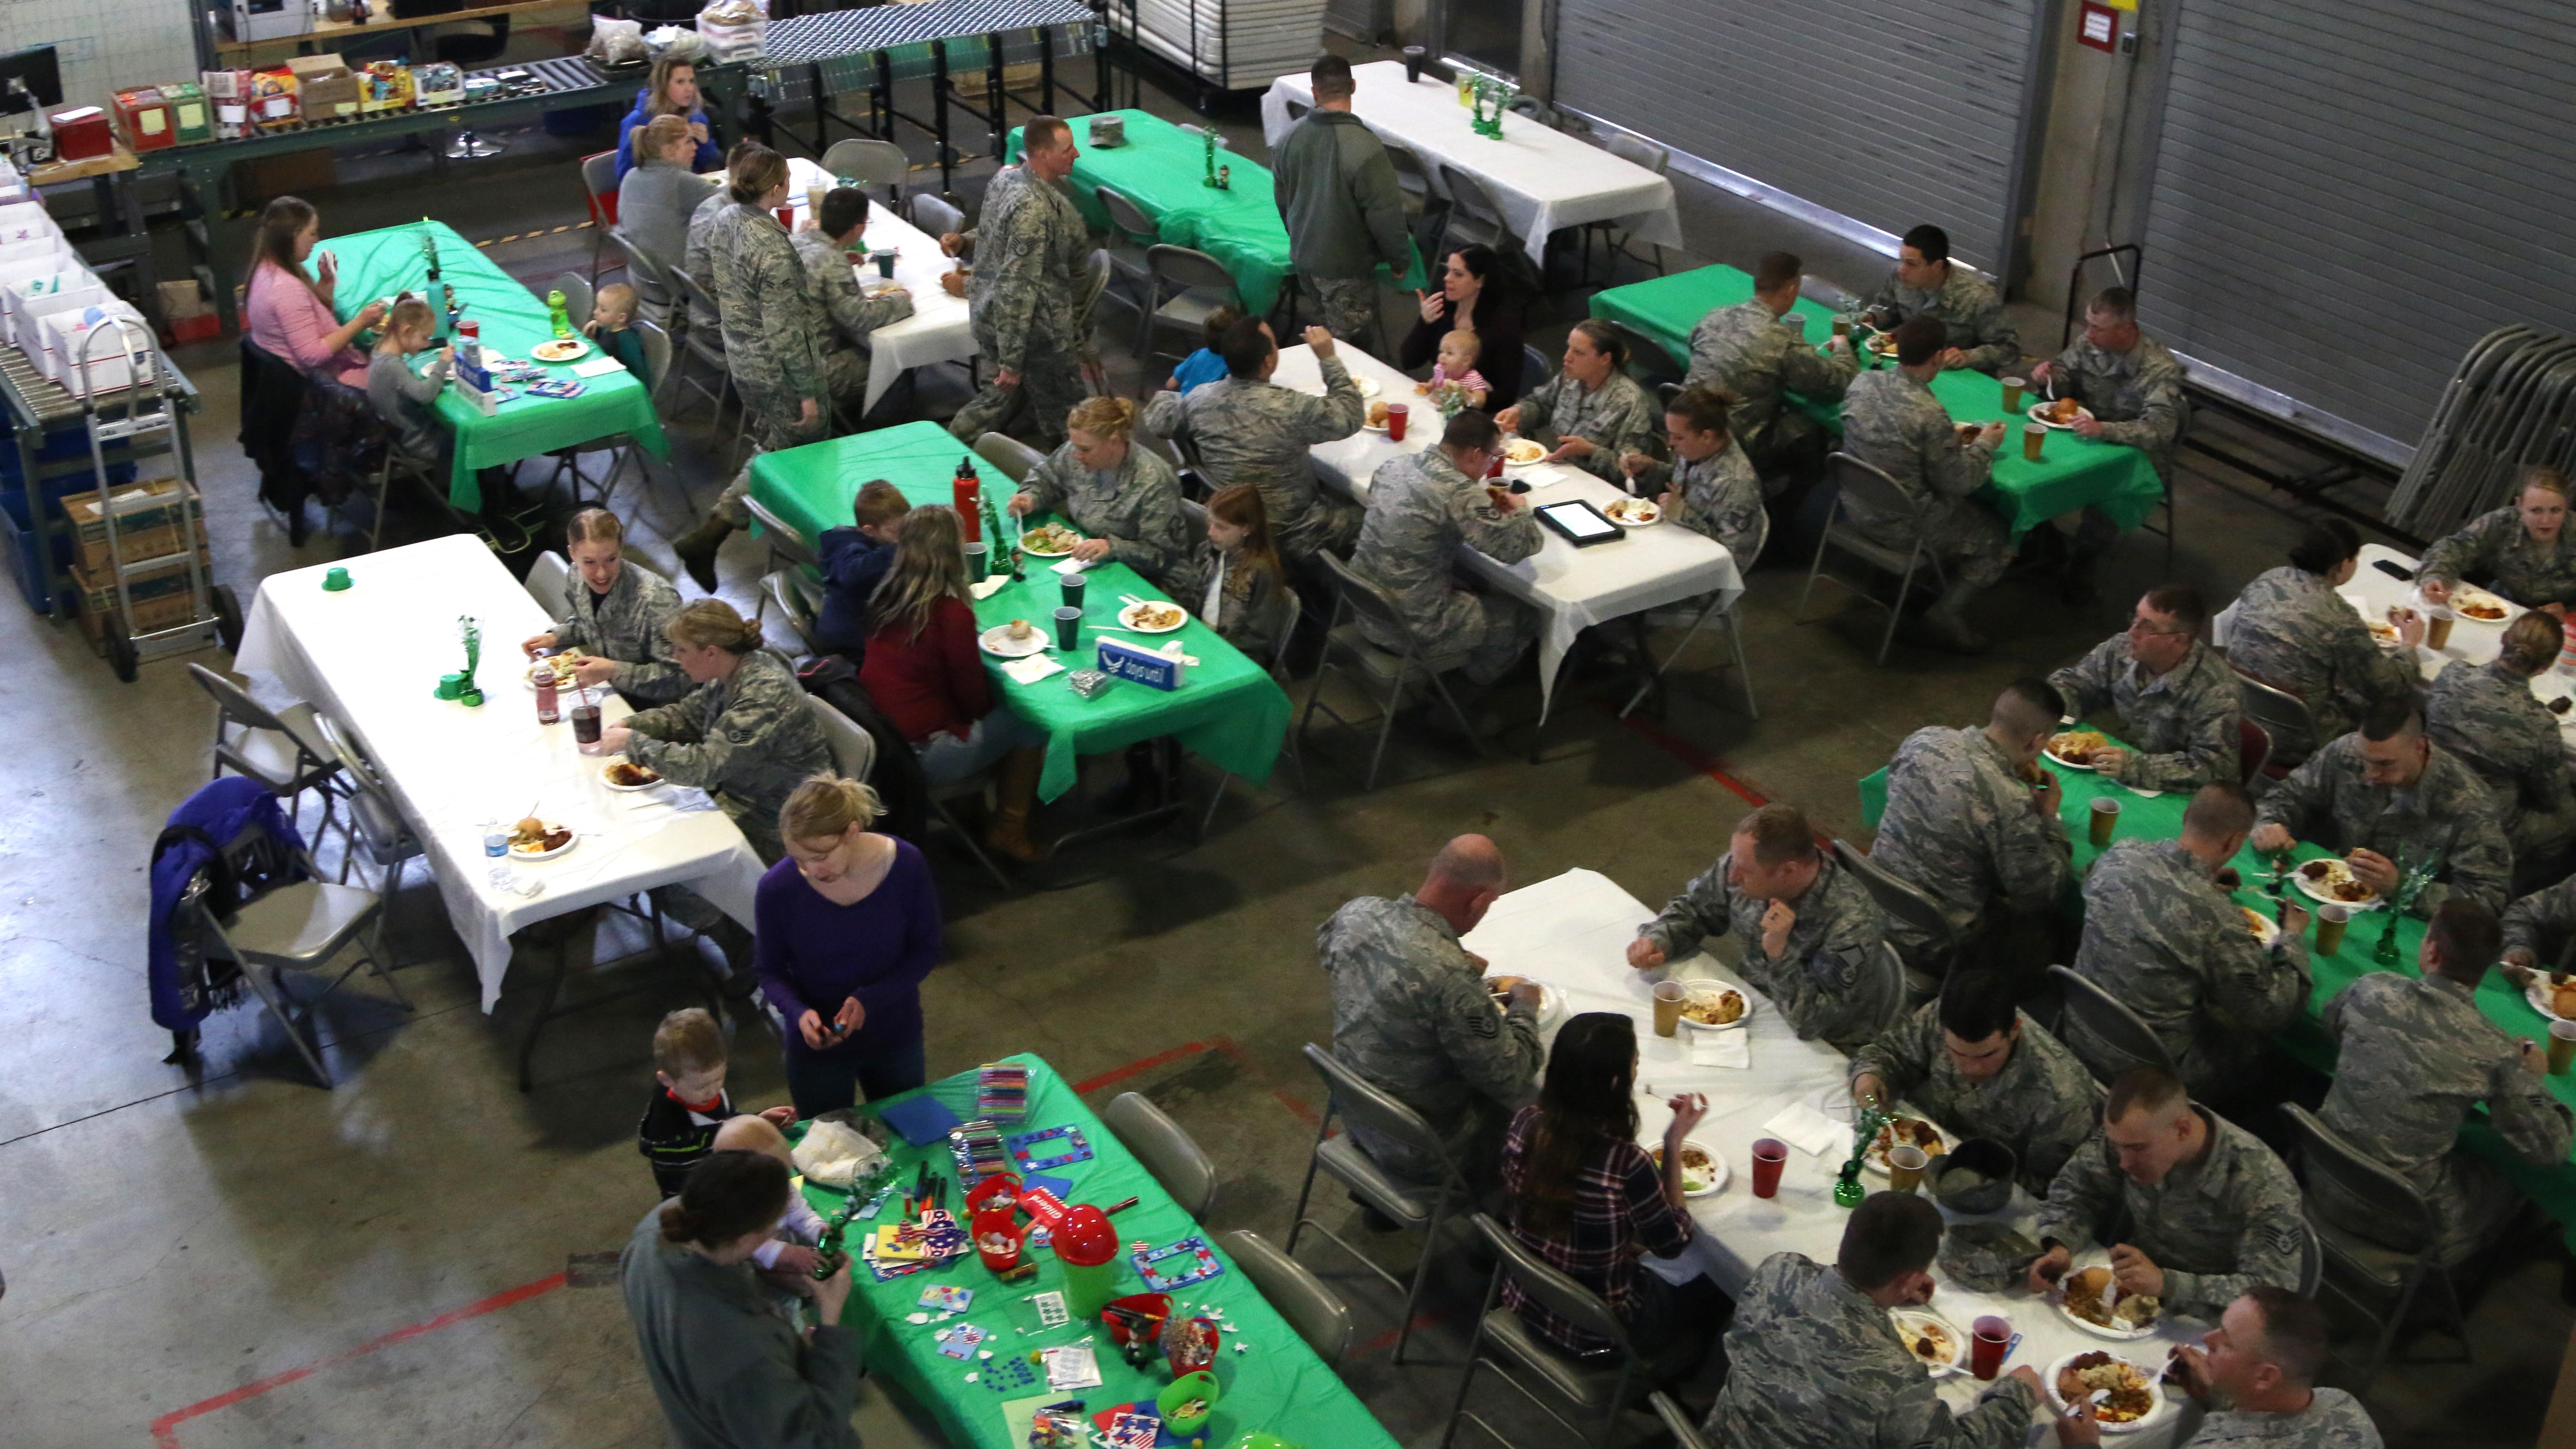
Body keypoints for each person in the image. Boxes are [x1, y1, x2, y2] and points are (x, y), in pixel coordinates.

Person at [2313, 900, 2571, 1266]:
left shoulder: (2371, 990)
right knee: (2512, 1180)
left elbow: (2331, 1024)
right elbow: (2551, 1147)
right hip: (2403, 1221)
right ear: (2484, 970)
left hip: (2321, 1174)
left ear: (2431, 950)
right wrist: (2533, 1079)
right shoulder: (2494, 1050)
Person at [1703, 1191, 2043, 1449]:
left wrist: (1893, 1291)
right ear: (1909, 1280)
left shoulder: (1778, 1269)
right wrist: (2018, 1397)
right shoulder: (1894, 1377)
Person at [1316, 834, 1542, 1189]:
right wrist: (1527, 1005)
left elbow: (1337, 957)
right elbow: (1510, 1074)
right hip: (1429, 1153)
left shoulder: (1356, 915)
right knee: (1544, 1112)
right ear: (1479, 901)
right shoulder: (1450, 980)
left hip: (1358, 1116)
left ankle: (1375, 1204)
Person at [2071, 784, 2312, 1096]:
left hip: (2081, 1027)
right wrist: (2292, 937)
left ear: (2186, 816)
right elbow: (2270, 1010)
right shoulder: (2217, 918)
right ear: (2234, 841)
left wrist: (2206, 885)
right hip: (2150, 1069)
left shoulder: (2121, 854)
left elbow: (2098, 884)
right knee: (2261, 1046)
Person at [1499, 1013, 1717, 1355]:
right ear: (1616, 1083)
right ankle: (1682, 1378)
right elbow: (1674, 1243)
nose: (1636, 1072)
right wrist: (1673, 1144)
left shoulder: (1525, 1123)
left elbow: (1557, 1214)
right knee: (1714, 1279)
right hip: (1601, 1334)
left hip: (1529, 1301)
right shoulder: (1626, 1164)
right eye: (1635, 1065)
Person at [620, 1151, 862, 1449]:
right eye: (774, 1227)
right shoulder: (745, 1352)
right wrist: (830, 1318)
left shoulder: (654, 1234)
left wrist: (770, 1285)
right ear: (747, 1237)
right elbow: (815, 1441)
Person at [2029, 1067, 2307, 1322]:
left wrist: (2167, 1284)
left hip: (2204, 1325)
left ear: (2183, 1130)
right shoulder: (2133, 1132)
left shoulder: (2261, 1183)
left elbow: (2273, 1296)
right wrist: (2061, 1245)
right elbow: (2078, 1186)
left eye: (2137, 1150)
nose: (2124, 1163)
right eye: (2118, 1148)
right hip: (2127, 1296)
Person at [672, 145, 831, 590]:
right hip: (779, 369)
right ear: (779, 187)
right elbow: (786, 331)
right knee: (792, 452)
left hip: (742, 357)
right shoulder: (774, 251)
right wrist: (805, 391)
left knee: (776, 447)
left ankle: (720, 534)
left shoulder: (727, 219)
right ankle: (719, 534)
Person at [859, 506, 1048, 864]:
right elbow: (972, 697)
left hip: (885, 742)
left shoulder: (886, 594)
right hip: (925, 756)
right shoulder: (950, 613)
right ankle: (1008, 829)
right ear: (953, 550)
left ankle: (969, 807)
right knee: (1029, 720)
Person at [1626, 803, 1898, 1046]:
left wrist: (1779, 955)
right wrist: (1659, 940)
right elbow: (1696, 908)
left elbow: (1814, 1022)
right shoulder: (1744, 864)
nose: (1732, 876)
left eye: (1744, 870)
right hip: (1750, 1008)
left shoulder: (1853, 922)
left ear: (1788, 871)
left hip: (1824, 1049)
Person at [757, 776, 943, 1118]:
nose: (811, 870)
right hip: (816, 1047)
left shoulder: (906, 866)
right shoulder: (777, 889)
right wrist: (799, 1013)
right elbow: (769, 970)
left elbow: (926, 949)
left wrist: (870, 999)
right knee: (827, 1146)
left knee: (908, 1130)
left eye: (821, 856)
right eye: (799, 859)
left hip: (893, 1032)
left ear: (853, 833)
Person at [597, 600, 832, 865]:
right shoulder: (735, 668)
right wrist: (632, 725)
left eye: (682, 649)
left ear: (710, 652)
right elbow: (689, 716)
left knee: (665, 854)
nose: (675, 657)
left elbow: (706, 766)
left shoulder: (762, 698)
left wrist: (634, 743)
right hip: (742, 794)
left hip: (779, 821)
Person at [1870, 678, 2071, 979]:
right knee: (2046, 937)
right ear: (2036, 741)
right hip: (1934, 943)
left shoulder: (1925, 740)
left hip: (1874, 901)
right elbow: (2041, 892)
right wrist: (2049, 819)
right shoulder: (2010, 800)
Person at [2250, 696, 2514, 916]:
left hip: (2405, 920)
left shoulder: (2468, 803)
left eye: (2385, 765)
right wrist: (2271, 824)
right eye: (2365, 761)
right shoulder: (2348, 752)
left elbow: (2487, 900)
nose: (2370, 774)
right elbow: (2289, 795)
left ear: (2420, 747)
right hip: (2334, 895)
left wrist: (2402, 886)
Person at [1840, 316, 2013, 651]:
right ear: (1938, 357)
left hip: (1856, 508)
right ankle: (1947, 613)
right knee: (2000, 534)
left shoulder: (1862, 383)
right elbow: (1960, 482)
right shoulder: (1929, 415)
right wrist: (1986, 445)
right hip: (1904, 528)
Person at [1849, 968, 2098, 1194]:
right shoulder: (1942, 1015)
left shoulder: (2062, 1097)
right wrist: (1869, 1077)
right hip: (1909, 1159)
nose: (1970, 1068)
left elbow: (2054, 1188)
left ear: (2015, 1030)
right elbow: (1890, 1053)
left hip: (1982, 1197)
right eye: (1956, 1053)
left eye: (1987, 1055)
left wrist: (1975, 1173)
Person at [1143, 317, 1366, 562]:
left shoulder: (1200, 399)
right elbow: (1351, 416)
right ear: (1269, 362)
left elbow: (1156, 420)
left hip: (1232, 517)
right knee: (1367, 512)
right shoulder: (1292, 408)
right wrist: (1328, 359)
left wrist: (1167, 398)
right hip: (1291, 528)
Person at [1352, 409, 1542, 695]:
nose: (1490, 465)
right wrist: (1521, 511)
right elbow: (1520, 547)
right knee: (1522, 615)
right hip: (1409, 627)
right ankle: (1459, 698)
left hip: (1366, 605)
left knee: (1471, 583)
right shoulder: (1460, 492)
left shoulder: (1395, 465)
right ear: (1475, 454)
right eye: (1492, 457)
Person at [2057, 1288, 2382, 1449]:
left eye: (2226, 1342)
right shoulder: (2345, 1407)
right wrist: (2219, 1397)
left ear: (2266, 1376)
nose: (2205, 1339)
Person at [946, 115, 1096, 450]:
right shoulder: (1034, 210)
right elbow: (1018, 286)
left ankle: (952, 452)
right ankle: (1078, 476)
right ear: (1042, 154)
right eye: (1068, 148)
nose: (1077, 155)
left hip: (992, 315)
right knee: (1071, 415)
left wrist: (966, 243)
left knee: (1002, 401)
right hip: (1035, 331)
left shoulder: (1007, 181)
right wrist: (1013, 361)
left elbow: (992, 236)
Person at [2027, 287, 2185, 599]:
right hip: (2086, 432)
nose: (2088, 334)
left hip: (2134, 452)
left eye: (2098, 328)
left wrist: (2105, 430)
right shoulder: (2089, 345)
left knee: (2111, 489)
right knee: (2032, 461)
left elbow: (2161, 429)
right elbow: (2064, 376)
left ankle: (2085, 561)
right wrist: (2047, 377)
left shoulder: (2159, 368)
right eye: (2088, 324)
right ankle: (2040, 538)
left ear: (2126, 329)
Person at [2224, 518, 2426, 754]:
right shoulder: (2340, 618)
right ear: (2343, 564)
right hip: (2295, 738)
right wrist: (2410, 644)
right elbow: (2390, 687)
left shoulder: (2269, 580)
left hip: (2237, 713)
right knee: (2399, 710)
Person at [1272, 53, 1409, 353]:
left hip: (1305, 259)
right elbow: (1385, 215)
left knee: (1322, 335)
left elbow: (1284, 204)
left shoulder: (1288, 139)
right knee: (1350, 351)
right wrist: (1399, 259)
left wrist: (1301, 240)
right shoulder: (1365, 148)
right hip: (1346, 269)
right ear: (1354, 86)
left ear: (1314, 92)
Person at [2047, 586, 2241, 792]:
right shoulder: (2122, 648)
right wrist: (2049, 705)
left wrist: (2137, 768)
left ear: (2179, 640)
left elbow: (2214, 767)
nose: (2132, 632)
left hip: (2176, 797)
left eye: (2147, 627)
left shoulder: (2217, 690)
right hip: (2121, 772)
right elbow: (2076, 684)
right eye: (2136, 618)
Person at [1683, 250, 1857, 475]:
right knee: (1813, 425)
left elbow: (1693, 346)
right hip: (1741, 447)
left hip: (1691, 426)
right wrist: (1843, 347)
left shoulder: (1714, 317)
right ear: (1792, 290)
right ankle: (1799, 497)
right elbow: (1837, 384)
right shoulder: (1782, 341)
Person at [2425, 611, 2576, 863]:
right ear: (2545, 668)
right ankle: (2517, 880)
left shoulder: (2452, 675)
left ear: (2504, 637)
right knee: (2569, 815)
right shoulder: (2539, 724)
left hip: (2426, 794)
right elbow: (2553, 798)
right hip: (2484, 822)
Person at [1008, 395, 1194, 593]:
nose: (1076, 455)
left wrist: (1112, 547)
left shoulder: (1153, 480)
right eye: (1074, 445)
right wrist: (1030, 498)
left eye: (1085, 450)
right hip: (1090, 562)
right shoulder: (1079, 449)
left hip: (1150, 583)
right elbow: (1047, 477)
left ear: (1114, 442)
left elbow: (1161, 555)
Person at [522, 508, 692, 707]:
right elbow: (591, 623)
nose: (601, 574)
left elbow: (682, 677)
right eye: (589, 562)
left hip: (653, 708)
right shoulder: (576, 577)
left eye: (611, 559)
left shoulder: (656, 601)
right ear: (573, 554)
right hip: (605, 691)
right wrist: (557, 636)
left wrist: (614, 670)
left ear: (621, 548)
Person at [637, 1007, 797, 1197]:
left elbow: (728, 1123)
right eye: (702, 1086)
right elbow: (687, 1191)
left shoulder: (705, 1091)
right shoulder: (671, 1136)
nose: (713, 1090)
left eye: (720, 1079)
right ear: (667, 1080)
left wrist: (757, 1121)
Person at [792, 186, 916, 423]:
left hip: (779, 358)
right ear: (858, 228)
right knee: (897, 364)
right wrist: (900, 300)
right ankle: (878, 438)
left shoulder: (797, 241)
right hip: (815, 368)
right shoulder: (832, 262)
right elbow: (860, 318)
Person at [1494, 320, 1659, 487]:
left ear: (1605, 359)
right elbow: (1542, 404)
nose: (1567, 358)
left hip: (1595, 486)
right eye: (1569, 348)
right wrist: (1519, 413)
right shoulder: (1571, 377)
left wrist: (1590, 451)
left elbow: (1631, 469)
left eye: (1579, 353)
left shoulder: (1628, 401)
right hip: (1553, 471)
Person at [244, 195, 381, 391]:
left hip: (297, 377)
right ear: (293, 236)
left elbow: (310, 317)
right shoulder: (285, 288)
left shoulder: (266, 268)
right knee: (394, 376)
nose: (316, 241)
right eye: (312, 233)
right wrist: (361, 322)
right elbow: (312, 355)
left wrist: (326, 281)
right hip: (319, 385)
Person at [1619, 385, 1764, 563]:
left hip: (1699, 569)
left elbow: (1731, 560)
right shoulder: (1698, 450)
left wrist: (1684, 514)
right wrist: (1649, 468)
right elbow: (1684, 480)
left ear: (1707, 436)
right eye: (1669, 435)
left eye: (1678, 437)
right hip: (1673, 539)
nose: (1671, 444)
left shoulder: (1736, 484)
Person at [1862, 223, 2021, 373]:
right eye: (1902, 260)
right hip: (1914, 367)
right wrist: (1873, 318)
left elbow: (2009, 349)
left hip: (1960, 377)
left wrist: (1968, 357)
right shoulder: (1901, 278)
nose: (1902, 270)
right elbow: (1888, 309)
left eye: (1911, 264)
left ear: (1937, 266)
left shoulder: (1978, 297)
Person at [2421, 465, 2576, 614]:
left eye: (2556, 510)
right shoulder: (2503, 523)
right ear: (2520, 505)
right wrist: (2435, 577)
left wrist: (2568, 612)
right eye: (2536, 511)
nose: (2546, 520)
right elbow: (2453, 547)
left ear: (2566, 507)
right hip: (2501, 608)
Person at [707, 1115, 833, 1287]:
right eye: (776, 1183)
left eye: (786, 1176)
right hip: (752, 1277)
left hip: (785, 1251)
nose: (786, 1189)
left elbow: (800, 1214)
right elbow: (745, 1246)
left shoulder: (779, 1186)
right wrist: (787, 1253)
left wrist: (818, 1229)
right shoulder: (729, 1208)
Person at [1401, 245, 1529, 408]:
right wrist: (1424, 323)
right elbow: (1409, 361)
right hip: (1441, 403)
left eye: (1458, 274)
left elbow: (1506, 396)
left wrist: (1466, 398)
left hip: (1475, 415)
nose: (1447, 278)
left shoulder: (1503, 329)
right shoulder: (1443, 309)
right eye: (1448, 271)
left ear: (1480, 281)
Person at [1184, 484, 1294, 666]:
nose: (1211, 532)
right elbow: (1192, 595)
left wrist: (1210, 646)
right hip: (1201, 638)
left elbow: (1259, 638)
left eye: (1221, 527)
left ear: (1246, 530)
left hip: (1238, 655)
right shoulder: (1206, 551)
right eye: (1210, 523)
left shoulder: (1262, 571)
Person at [811, 480, 911, 659]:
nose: (903, 537)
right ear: (870, 531)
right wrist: (896, 550)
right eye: (896, 532)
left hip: (852, 630)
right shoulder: (850, 549)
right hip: (848, 646)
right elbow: (854, 575)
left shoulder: (873, 541)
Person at [619, 113, 722, 274]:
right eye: (688, 141)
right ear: (669, 151)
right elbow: (737, 207)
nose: (695, 147)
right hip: (682, 282)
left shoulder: (630, 176)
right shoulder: (680, 181)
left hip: (643, 278)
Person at [364, 295, 452, 466]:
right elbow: (425, 395)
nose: (427, 344)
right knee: (475, 444)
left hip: (398, 437)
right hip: (419, 442)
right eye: (424, 338)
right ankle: (493, 488)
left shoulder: (379, 351)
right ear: (407, 330)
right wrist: (442, 364)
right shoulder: (393, 366)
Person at [612, 54, 718, 179]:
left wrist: (705, 144)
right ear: (663, 85)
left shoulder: (696, 117)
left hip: (687, 185)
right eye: (680, 82)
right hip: (652, 191)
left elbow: (706, 163)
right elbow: (625, 174)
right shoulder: (637, 121)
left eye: (691, 81)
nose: (689, 89)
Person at [1165, 305, 1238, 394]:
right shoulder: (1231, 366)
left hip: (1186, 403)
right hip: (1208, 406)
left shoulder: (1198, 354)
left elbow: (1171, 383)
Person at [585, 282, 651, 378]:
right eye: (597, 307)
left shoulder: (627, 341)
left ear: (621, 318)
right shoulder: (608, 329)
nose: (595, 312)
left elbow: (640, 373)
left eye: (603, 310)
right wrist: (595, 327)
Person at [1423, 328, 1489, 412]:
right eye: (1441, 352)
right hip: (1433, 408)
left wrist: (1464, 394)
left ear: (1466, 361)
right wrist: (1429, 386)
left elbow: (1480, 402)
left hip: (1456, 417)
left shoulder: (1473, 378)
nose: (1442, 356)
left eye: (1450, 353)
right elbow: (1435, 382)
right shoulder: (1441, 369)